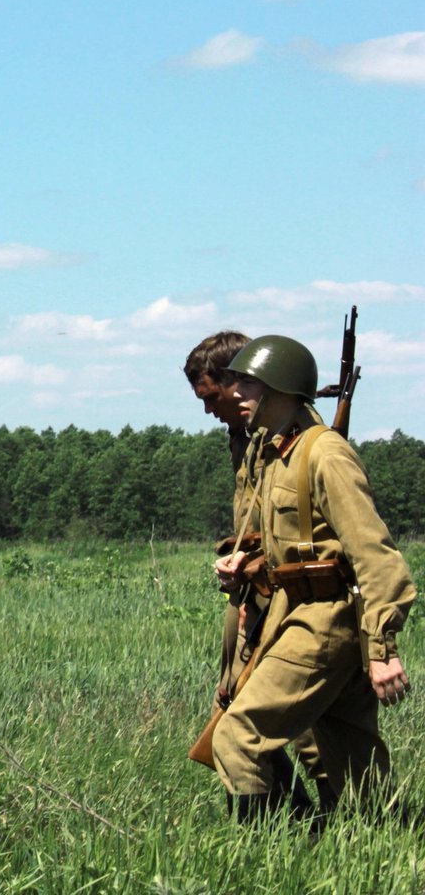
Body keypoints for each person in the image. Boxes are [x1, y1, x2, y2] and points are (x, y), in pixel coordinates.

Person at [210, 335, 414, 821]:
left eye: (246, 382)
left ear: (280, 386)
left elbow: (375, 555)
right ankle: (384, 842)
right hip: (297, 612)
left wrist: (382, 650)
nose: (234, 392)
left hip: (327, 621)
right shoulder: (277, 451)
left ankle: (259, 857)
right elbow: (296, 542)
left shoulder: (324, 454)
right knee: (352, 764)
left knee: (237, 737)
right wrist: (248, 562)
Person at [185, 331, 323, 812]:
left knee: (293, 723)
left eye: (212, 396)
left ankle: (318, 821)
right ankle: (292, 819)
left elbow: (295, 530)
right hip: (254, 591)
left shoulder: (291, 438)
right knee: (237, 707)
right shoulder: (243, 437)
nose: (210, 410)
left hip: (288, 596)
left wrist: (255, 566)